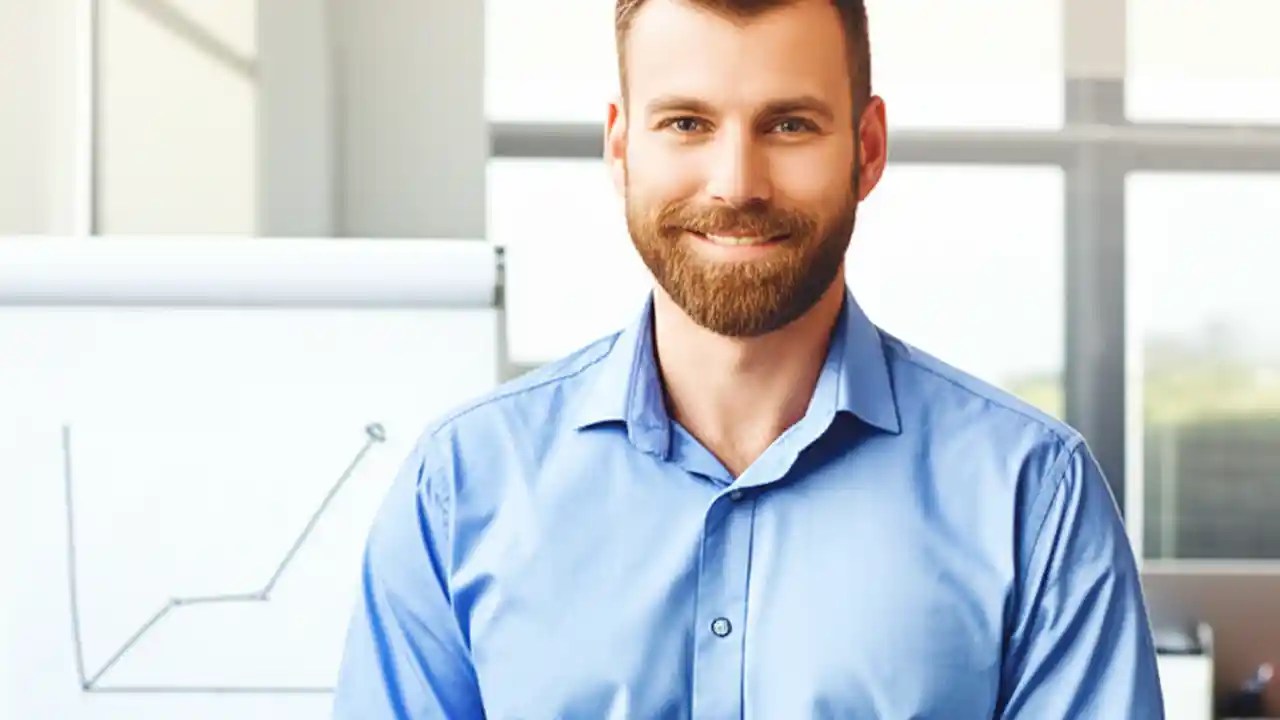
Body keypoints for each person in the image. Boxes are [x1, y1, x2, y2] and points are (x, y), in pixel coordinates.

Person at [332, 0, 1165, 717]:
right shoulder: (462, 486)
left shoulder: (1032, 494)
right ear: (621, 148)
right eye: (686, 124)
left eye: (789, 124)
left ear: (868, 148)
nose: (737, 184)